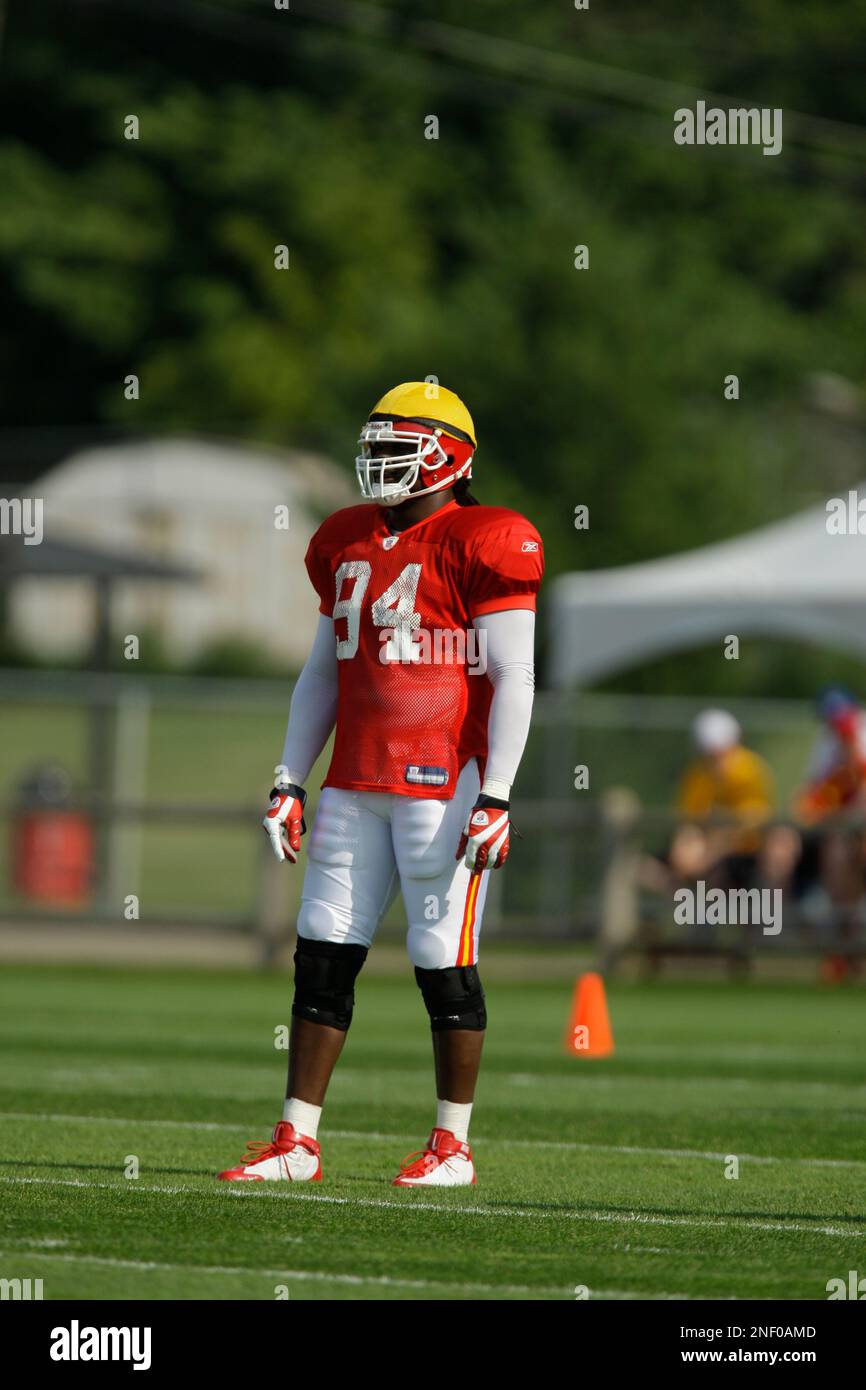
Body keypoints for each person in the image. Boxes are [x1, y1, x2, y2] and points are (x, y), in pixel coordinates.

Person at [217, 382, 543, 1187]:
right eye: (378, 446)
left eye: (401, 446)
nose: (381, 462)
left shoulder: (487, 537)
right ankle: (296, 1142)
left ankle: (452, 1148)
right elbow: (323, 670)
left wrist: (497, 793)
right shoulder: (343, 540)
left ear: (452, 457)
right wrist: (291, 776)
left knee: (442, 960)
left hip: (445, 781)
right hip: (355, 780)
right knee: (321, 958)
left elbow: (516, 674)